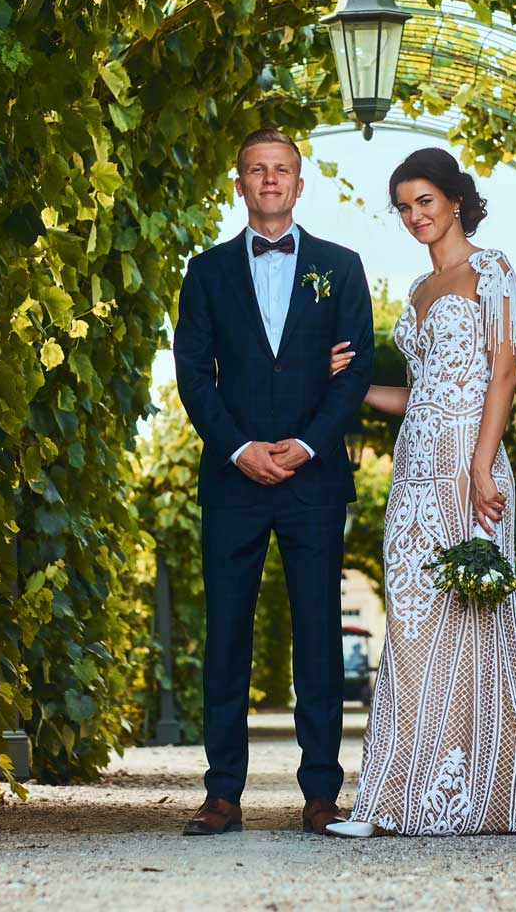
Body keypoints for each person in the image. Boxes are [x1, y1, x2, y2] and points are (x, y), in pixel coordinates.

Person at [323, 147, 516, 837]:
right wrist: (342, 385)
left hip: (472, 462)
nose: (415, 217)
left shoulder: (491, 270)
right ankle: (388, 802)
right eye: (405, 207)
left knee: (478, 619)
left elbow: (502, 375)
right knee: (411, 626)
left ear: (456, 199)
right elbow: (418, 396)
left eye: (426, 202)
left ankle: (493, 794)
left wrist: (480, 467)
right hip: (415, 467)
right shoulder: (416, 291)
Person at [172, 128, 374, 836]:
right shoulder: (205, 272)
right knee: (226, 635)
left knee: (318, 637)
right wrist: (237, 450)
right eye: (256, 169)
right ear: (240, 184)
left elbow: (354, 378)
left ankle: (322, 793)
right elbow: (193, 376)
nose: (269, 179)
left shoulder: (340, 268)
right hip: (234, 481)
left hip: (312, 483)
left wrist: (308, 446)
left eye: (281, 169)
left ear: (298, 183)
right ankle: (221, 792)